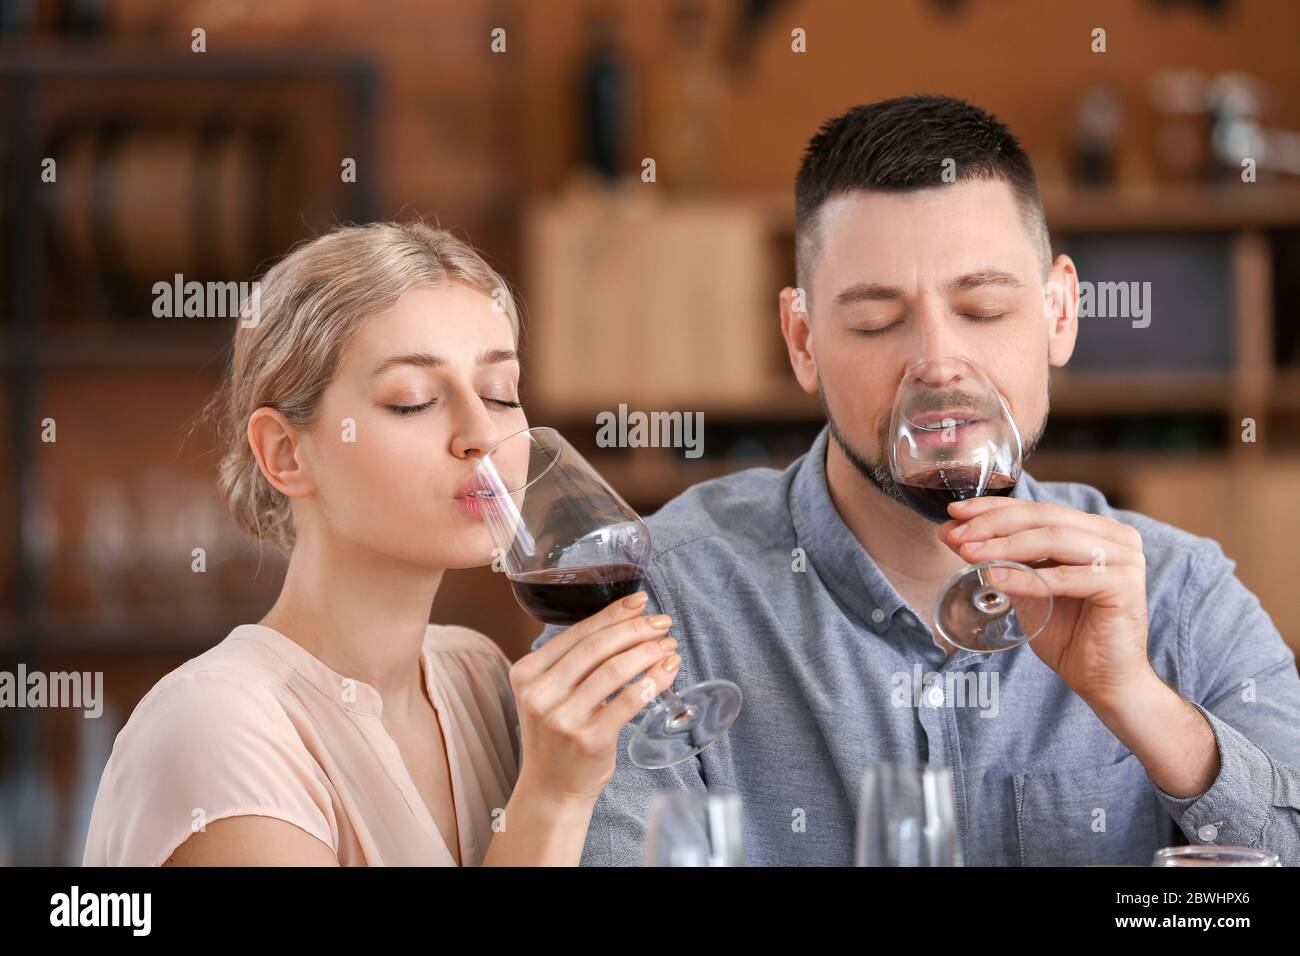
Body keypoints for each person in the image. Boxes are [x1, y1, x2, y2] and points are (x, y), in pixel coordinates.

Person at [534, 95, 1300, 866]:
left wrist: (1137, 698)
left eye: (983, 308)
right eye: (875, 322)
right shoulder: (658, 605)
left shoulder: (1184, 595)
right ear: (803, 341)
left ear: (1060, 314)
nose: (937, 362)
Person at [82, 221, 683, 866]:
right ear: (286, 453)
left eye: (500, 393)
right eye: (413, 401)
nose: (480, 433)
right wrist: (554, 799)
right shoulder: (214, 730)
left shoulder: (475, 676)